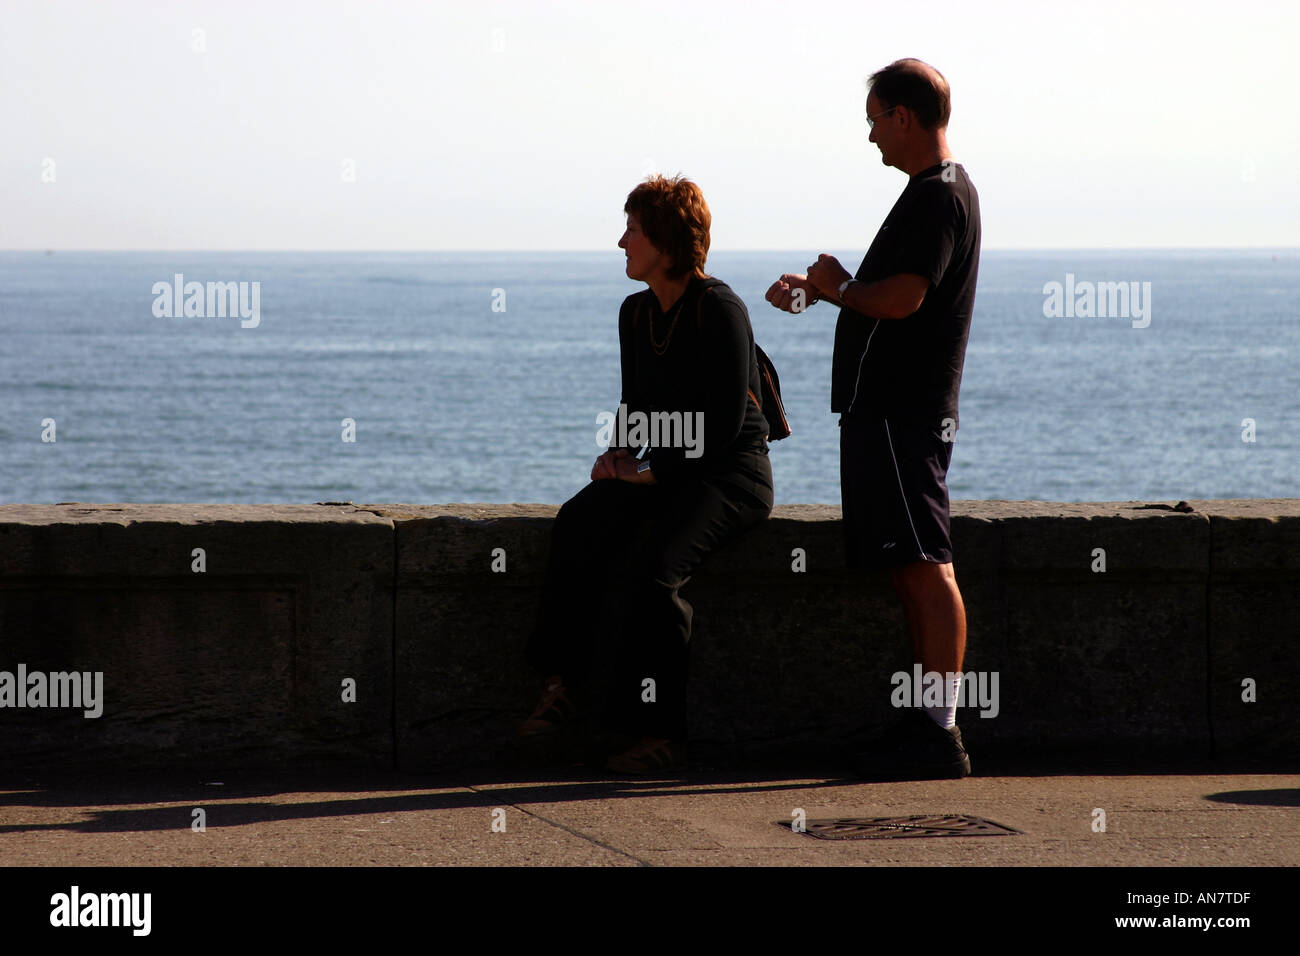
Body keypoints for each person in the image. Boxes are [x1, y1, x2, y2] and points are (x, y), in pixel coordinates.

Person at [766, 58, 981, 780]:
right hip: (883, 412)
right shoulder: (932, 194)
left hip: (901, 411)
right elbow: (881, 298)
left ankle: (942, 732)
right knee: (906, 565)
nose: (869, 137)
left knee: (925, 564)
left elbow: (901, 300)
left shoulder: (937, 198)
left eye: (873, 120)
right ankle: (924, 723)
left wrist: (840, 286)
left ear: (903, 116)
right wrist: (823, 294)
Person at [521, 174, 774, 774]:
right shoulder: (636, 312)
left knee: (655, 572)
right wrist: (619, 459)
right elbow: (635, 407)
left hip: (729, 476)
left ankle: (664, 733)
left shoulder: (720, 308)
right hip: (664, 471)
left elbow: (720, 424)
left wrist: (652, 474)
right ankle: (563, 685)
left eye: (632, 229)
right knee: (580, 520)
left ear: (664, 239)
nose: (621, 242)